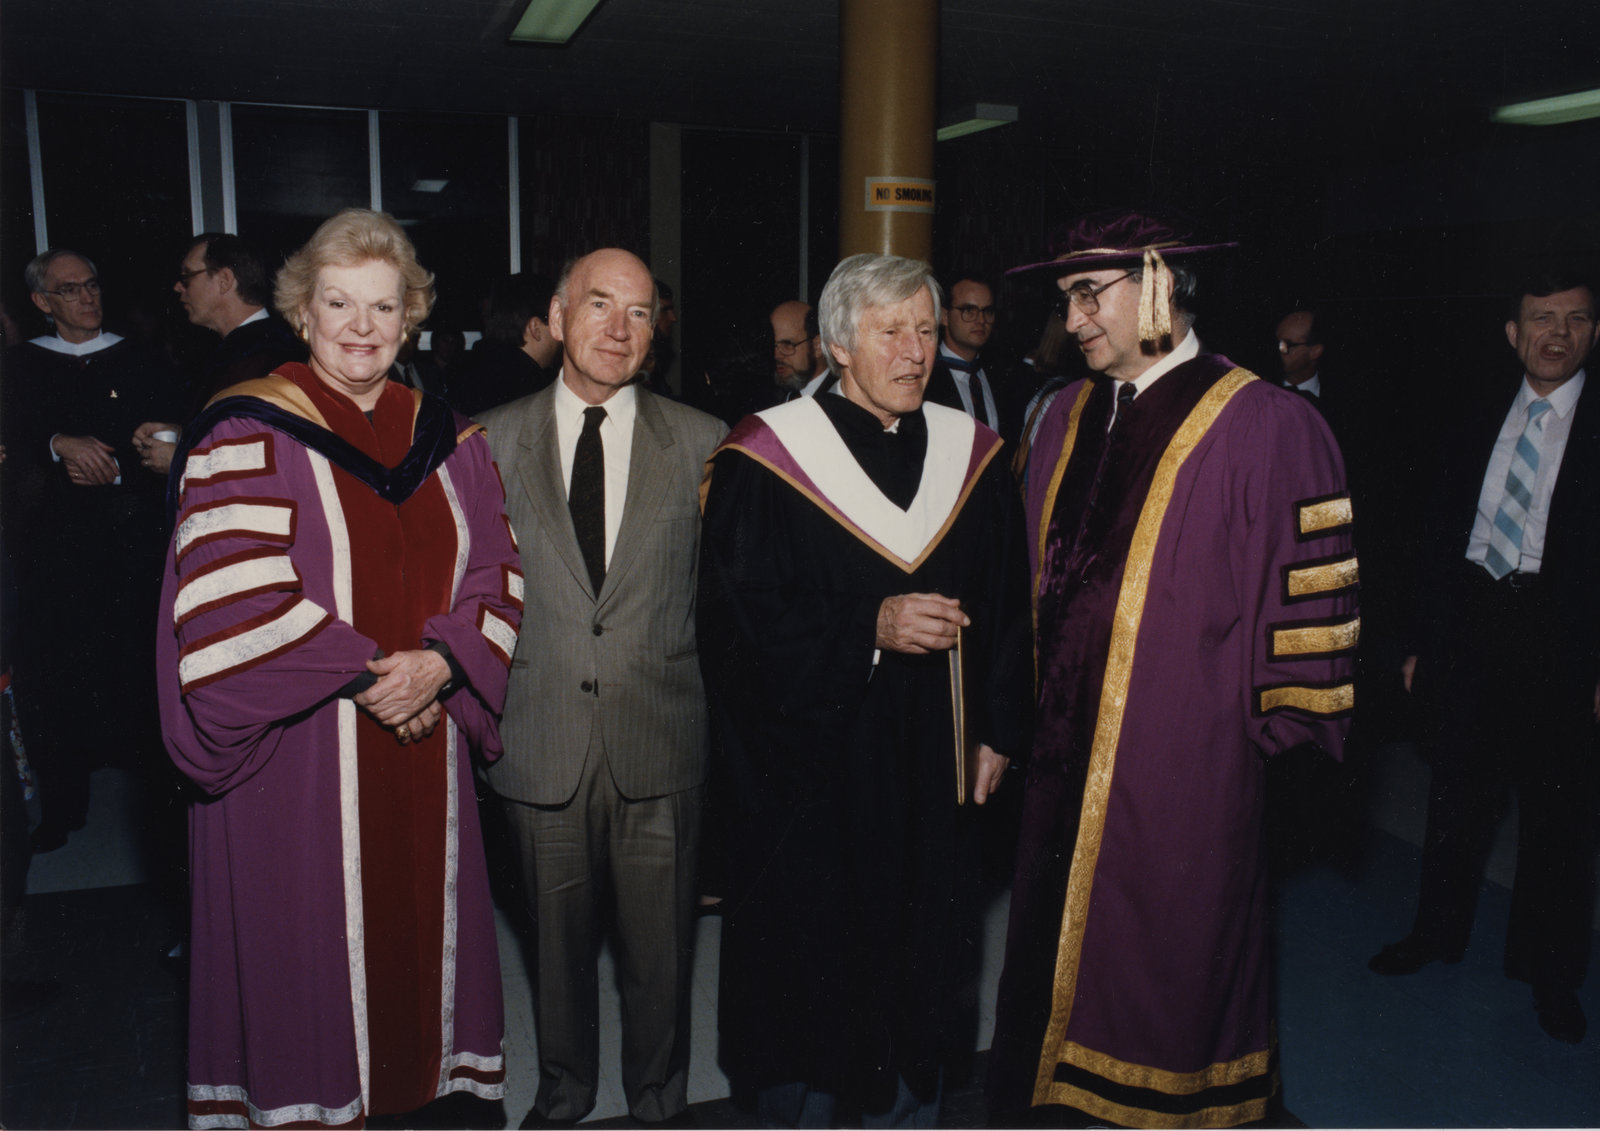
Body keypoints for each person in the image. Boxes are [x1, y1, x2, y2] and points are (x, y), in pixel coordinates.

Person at [987, 210, 1356, 1127]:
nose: (1071, 322)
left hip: (1185, 761)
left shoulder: (1265, 422)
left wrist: (1281, 747)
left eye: (1088, 296)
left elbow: (1312, 598)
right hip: (1058, 757)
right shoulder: (1065, 413)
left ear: (1161, 284)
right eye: (1065, 298)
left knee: (1170, 963)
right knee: (1053, 961)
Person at [157, 208, 524, 1128]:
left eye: (384, 307)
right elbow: (230, 599)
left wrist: (441, 663)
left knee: (415, 969)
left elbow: (499, 573)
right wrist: (372, 677)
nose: (361, 327)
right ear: (302, 313)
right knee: (307, 968)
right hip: (299, 755)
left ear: (412, 320)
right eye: (339, 303)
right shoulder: (248, 428)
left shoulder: (452, 440)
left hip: (421, 740)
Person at [699, 253, 1033, 1127]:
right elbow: (734, 630)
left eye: (925, 330)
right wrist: (866, 627)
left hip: (935, 770)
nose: (916, 351)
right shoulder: (765, 460)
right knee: (817, 981)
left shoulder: (973, 456)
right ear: (840, 344)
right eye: (892, 332)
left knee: (924, 966)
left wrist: (999, 728)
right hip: (816, 776)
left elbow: (1005, 602)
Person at [477, 249, 725, 1127]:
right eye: (599, 304)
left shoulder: (704, 442)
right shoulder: (488, 440)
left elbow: (724, 603)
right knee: (555, 946)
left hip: (660, 737)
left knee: (662, 952)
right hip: (540, 734)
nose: (619, 328)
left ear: (658, 331)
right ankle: (565, 1089)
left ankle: (659, 1098)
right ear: (556, 313)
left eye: (642, 312)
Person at [1368, 272, 1600, 1044]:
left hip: (1561, 634)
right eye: (1541, 318)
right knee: (1454, 795)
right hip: (1469, 622)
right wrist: (1416, 641)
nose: (1557, 335)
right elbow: (1429, 529)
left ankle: (1550, 975)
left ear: (1595, 333)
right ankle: (1436, 932)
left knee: (1558, 815)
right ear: (1513, 332)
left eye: (1574, 320)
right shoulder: (1472, 412)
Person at [2, 248, 180, 851]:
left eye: (92, 285)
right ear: (41, 302)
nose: (87, 298)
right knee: (55, 677)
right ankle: (63, 807)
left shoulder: (142, 359)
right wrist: (57, 445)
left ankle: (158, 806)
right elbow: (13, 442)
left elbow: (168, 438)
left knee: (137, 670)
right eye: (70, 290)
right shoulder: (19, 366)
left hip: (130, 544)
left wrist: (122, 471)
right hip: (54, 552)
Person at [137, 232, 307, 475]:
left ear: (224, 280)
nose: (178, 287)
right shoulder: (232, 348)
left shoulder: (270, 356)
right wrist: (182, 433)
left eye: (187, 277)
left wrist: (181, 459)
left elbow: (268, 454)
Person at [452, 272, 559, 415]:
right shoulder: (529, 390)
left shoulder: (471, 368)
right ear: (535, 328)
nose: (561, 335)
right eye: (557, 321)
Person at [924, 270, 1006, 436]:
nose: (981, 320)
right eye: (969, 310)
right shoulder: (924, 378)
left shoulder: (1001, 377)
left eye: (987, 311)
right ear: (944, 317)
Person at [770, 299, 828, 399]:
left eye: (787, 344)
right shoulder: (769, 396)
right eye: (774, 344)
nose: (777, 355)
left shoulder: (841, 400)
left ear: (817, 346)